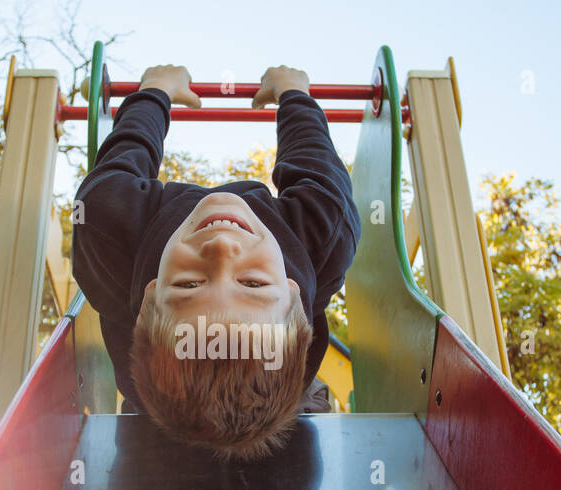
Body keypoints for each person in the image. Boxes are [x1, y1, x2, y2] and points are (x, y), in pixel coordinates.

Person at [71, 63, 360, 459]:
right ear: (294, 299)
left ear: (151, 299)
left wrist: (156, 91)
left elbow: (128, 150)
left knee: (150, 423)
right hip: (288, 382)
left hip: (158, 390)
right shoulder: (324, 231)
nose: (222, 249)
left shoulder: (108, 226)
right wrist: (294, 93)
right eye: (253, 283)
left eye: (189, 284)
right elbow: (313, 155)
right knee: (297, 426)